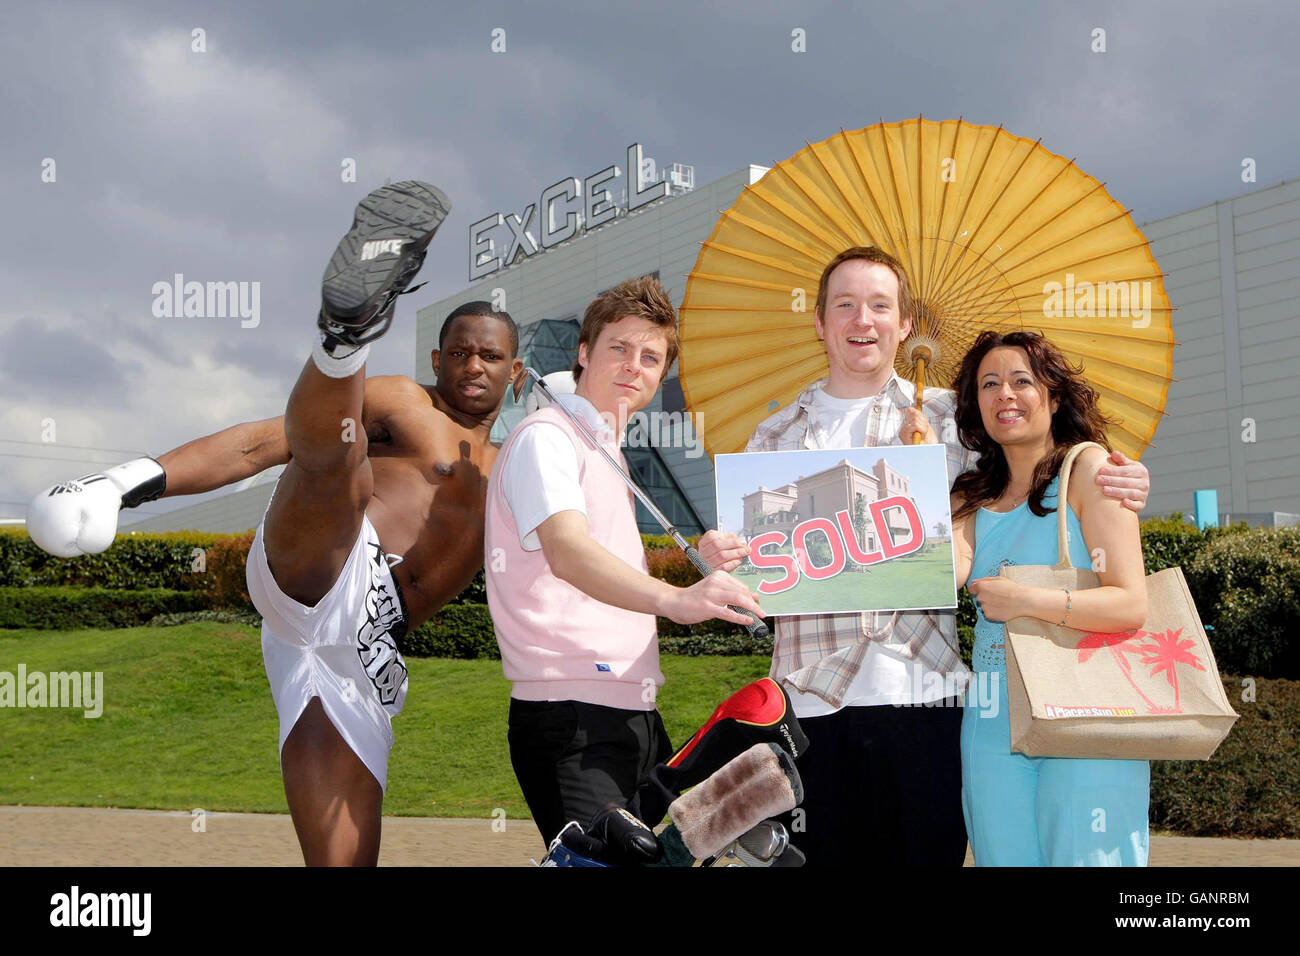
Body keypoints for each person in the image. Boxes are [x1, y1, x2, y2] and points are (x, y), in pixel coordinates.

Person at [26, 181, 523, 866]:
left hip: (363, 651)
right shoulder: (408, 403)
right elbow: (259, 445)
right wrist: (121, 486)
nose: (473, 366)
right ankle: (345, 338)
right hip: (328, 564)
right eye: (460, 352)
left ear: (516, 373)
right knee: (338, 462)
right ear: (436, 360)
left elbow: (568, 557)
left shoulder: (517, 468)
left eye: (490, 356)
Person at [698, 246, 1153, 866]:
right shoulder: (772, 438)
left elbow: (1035, 469)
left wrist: (1119, 477)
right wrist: (718, 554)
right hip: (807, 701)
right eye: (846, 304)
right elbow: (750, 575)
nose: (864, 319)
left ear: (904, 324)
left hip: (923, 695)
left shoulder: (956, 417)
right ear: (821, 322)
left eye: (880, 305)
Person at [483, 276, 763, 848]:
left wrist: (694, 569)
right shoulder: (547, 437)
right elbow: (567, 551)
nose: (634, 365)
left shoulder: (606, 451)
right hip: (572, 714)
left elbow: (605, 574)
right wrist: (677, 601)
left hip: (631, 710)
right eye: (619, 347)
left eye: (651, 357)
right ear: (583, 353)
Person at [950, 329, 1150, 865]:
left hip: (1087, 710)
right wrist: (915, 457)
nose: (1005, 395)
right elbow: (939, 577)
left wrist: (1026, 600)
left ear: (1054, 397)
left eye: (1022, 381)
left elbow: (1131, 603)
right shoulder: (968, 496)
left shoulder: (1090, 471)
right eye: (989, 385)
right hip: (993, 723)